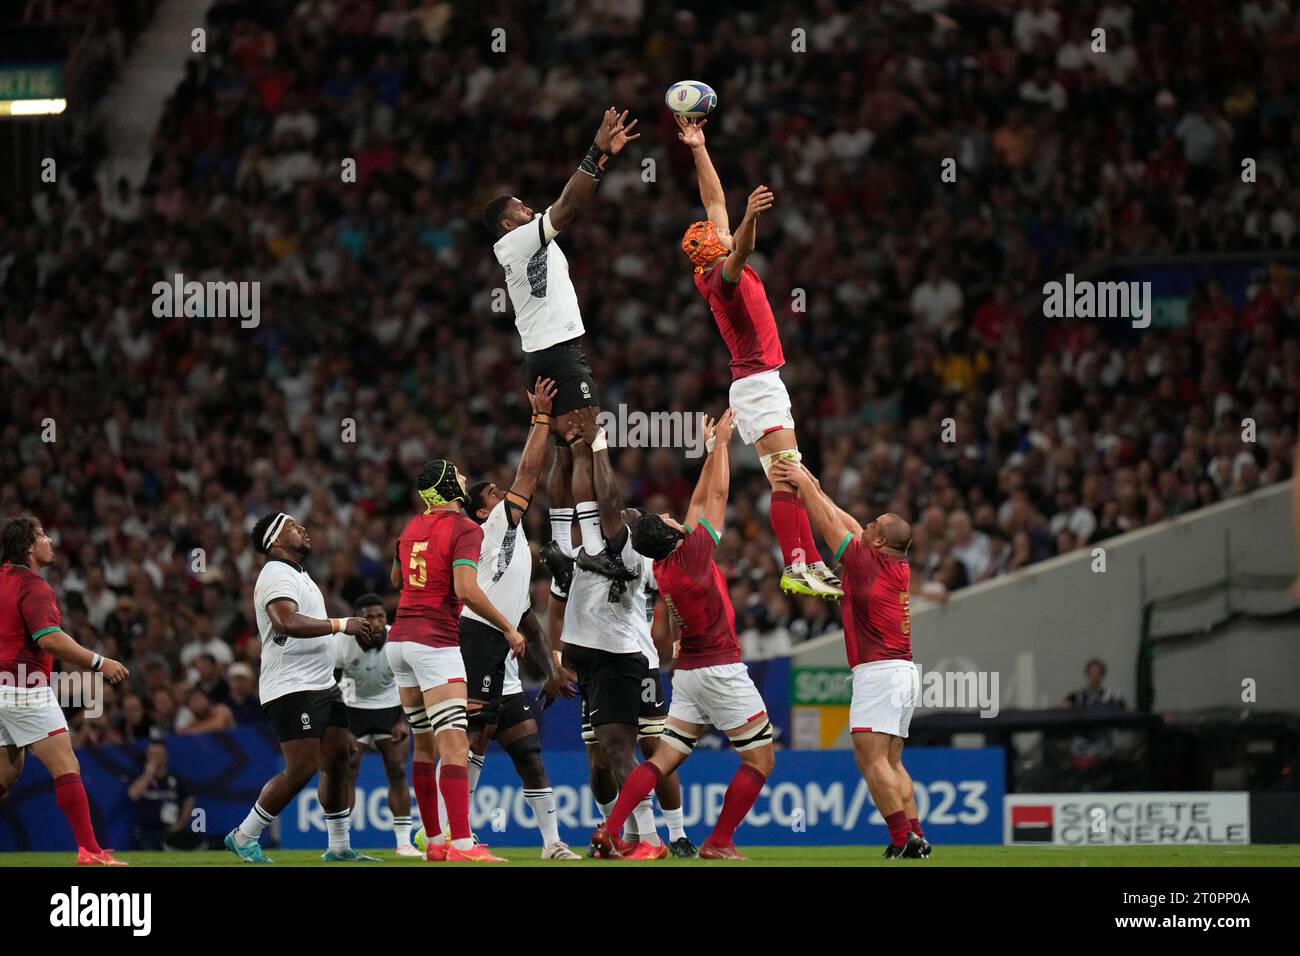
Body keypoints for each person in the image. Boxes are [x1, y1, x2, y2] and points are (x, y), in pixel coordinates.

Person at [594, 409, 776, 860]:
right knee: (760, 758)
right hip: (720, 668)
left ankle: (610, 830)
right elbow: (717, 495)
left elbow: (698, 502)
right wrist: (725, 445)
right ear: (672, 533)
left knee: (662, 759)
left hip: (690, 673)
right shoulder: (692, 556)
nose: (674, 515)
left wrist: (711, 452)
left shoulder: (665, 563)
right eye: (668, 517)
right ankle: (720, 841)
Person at [676, 114, 842, 601]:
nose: (723, 227)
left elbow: (713, 199)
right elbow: (742, 247)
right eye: (720, 233)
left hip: (759, 382)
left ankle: (809, 562)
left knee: (790, 473)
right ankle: (795, 565)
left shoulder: (708, 264)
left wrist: (698, 147)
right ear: (716, 249)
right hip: (757, 383)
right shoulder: (722, 279)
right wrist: (750, 217)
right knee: (789, 473)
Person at [484, 107, 640, 582]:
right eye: (520, 208)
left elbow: (568, 202)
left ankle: (558, 542)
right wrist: (597, 151)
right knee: (586, 441)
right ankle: (591, 545)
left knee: (566, 450)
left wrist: (603, 160)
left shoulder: (524, 240)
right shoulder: (517, 242)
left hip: (541, 354)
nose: (528, 209)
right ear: (508, 224)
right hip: (558, 352)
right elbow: (568, 207)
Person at [771, 461, 930, 859]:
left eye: (875, 525)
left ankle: (901, 838)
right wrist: (817, 489)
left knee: (869, 759)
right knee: (892, 761)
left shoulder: (865, 562)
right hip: (902, 670)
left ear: (880, 542)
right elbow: (850, 525)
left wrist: (804, 487)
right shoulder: (894, 565)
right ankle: (916, 834)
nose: (867, 525)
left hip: (879, 672)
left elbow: (829, 525)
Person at [451, 378, 581, 859]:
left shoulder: (516, 548)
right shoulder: (492, 526)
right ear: (482, 509)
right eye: (494, 492)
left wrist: (551, 671)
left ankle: (552, 843)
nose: (503, 492)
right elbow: (528, 472)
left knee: (528, 751)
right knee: (475, 739)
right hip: (479, 637)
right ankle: (454, 835)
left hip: (503, 649)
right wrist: (541, 419)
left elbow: (526, 616)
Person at [388, 459, 526, 863]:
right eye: (459, 474)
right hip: (435, 643)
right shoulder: (465, 528)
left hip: (400, 641)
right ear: (449, 485)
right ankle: (463, 845)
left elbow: (397, 580)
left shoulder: (411, 526)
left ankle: (435, 842)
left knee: (423, 746)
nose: (465, 478)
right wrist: (508, 627)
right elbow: (466, 589)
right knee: (455, 744)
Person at [557, 409, 678, 860]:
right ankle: (624, 835)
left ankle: (651, 838)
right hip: (596, 659)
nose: (623, 514)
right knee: (607, 755)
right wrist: (579, 449)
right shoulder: (598, 544)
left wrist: (600, 444)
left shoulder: (631, 551)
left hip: (617, 658)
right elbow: (586, 501)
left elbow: (607, 501)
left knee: (621, 749)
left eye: (632, 515)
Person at [225, 513, 378, 864]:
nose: (303, 528)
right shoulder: (275, 573)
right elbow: (285, 621)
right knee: (301, 768)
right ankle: (244, 835)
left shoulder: (298, 573)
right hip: (292, 686)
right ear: (276, 541)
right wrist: (341, 624)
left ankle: (339, 846)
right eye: (293, 526)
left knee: (338, 760)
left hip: (322, 683)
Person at [0, 515, 129, 865]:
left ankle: (90, 849)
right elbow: (50, 639)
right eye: (42, 535)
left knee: (7, 772)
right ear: (28, 546)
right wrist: (100, 662)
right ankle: (89, 850)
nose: (50, 541)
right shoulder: (33, 585)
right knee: (66, 766)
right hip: (24, 687)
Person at [334, 593, 416, 857]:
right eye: (369, 617)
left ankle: (404, 843)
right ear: (357, 620)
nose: (377, 622)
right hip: (352, 711)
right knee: (347, 771)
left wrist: (403, 720)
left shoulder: (397, 639)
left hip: (390, 710)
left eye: (380, 616)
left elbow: (411, 682)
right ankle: (342, 844)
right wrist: (341, 727)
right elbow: (329, 685)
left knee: (397, 771)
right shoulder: (341, 642)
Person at [127, 739, 195, 851]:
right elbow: (133, 795)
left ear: (166, 756)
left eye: (158, 755)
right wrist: (149, 773)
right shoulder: (141, 777)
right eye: (152, 754)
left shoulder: (176, 780)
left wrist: (179, 825)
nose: (155, 758)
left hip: (170, 832)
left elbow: (188, 802)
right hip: (147, 832)